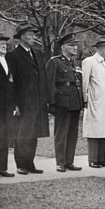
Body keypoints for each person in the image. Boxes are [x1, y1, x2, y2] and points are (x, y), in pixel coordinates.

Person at [6, 22, 49, 175]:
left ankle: (30, 163)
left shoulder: (37, 53)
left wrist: (45, 98)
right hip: (23, 102)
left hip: (38, 101)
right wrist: (15, 104)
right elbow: (11, 82)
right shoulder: (12, 55)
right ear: (21, 37)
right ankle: (21, 164)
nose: (33, 37)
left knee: (34, 133)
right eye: (29, 34)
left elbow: (42, 77)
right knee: (22, 133)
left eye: (34, 34)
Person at [46, 33, 84, 172]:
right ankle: (60, 162)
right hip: (62, 102)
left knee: (72, 133)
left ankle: (69, 161)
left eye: (76, 45)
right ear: (63, 47)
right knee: (61, 132)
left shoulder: (74, 63)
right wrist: (52, 103)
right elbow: (49, 84)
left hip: (75, 101)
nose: (75, 48)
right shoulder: (55, 61)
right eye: (72, 45)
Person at [82, 35, 105, 168]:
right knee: (94, 130)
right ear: (99, 48)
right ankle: (93, 159)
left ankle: (101, 158)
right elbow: (85, 82)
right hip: (95, 101)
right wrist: (85, 100)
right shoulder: (90, 61)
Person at [0, 33, 15, 178]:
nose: (4, 45)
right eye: (1, 43)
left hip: (6, 105)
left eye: (5, 43)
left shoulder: (6, 60)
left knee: (3, 136)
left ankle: (2, 167)